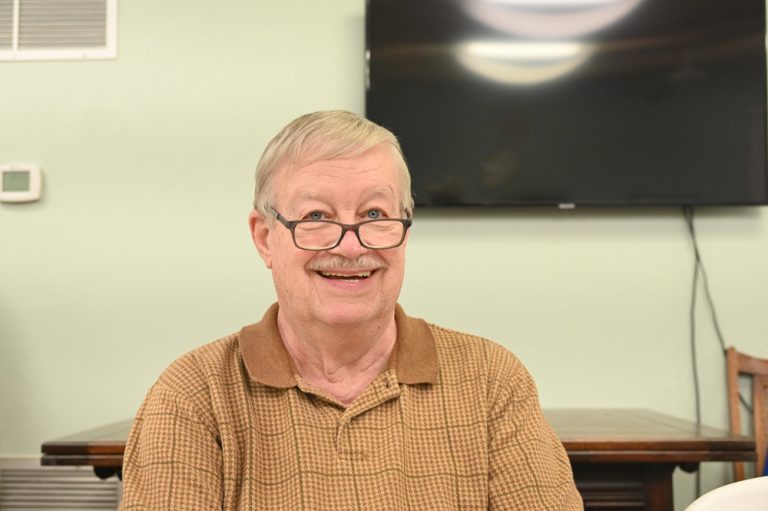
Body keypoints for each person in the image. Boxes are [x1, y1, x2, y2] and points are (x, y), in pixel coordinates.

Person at [119, 110, 582, 510]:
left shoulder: (491, 379)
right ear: (264, 238)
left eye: (375, 216)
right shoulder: (193, 396)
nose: (350, 246)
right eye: (317, 217)